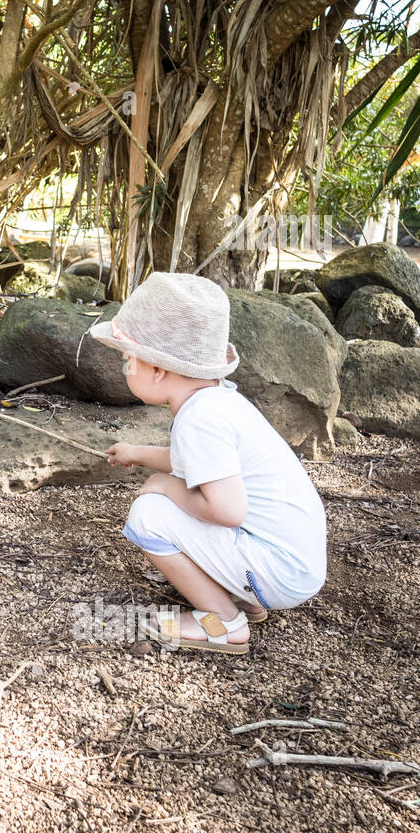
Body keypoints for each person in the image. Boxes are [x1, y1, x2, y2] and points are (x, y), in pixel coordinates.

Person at [88, 273, 327, 654]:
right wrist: (137, 453)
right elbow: (199, 466)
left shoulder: (199, 419)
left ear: (158, 370)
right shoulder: (215, 401)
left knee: (148, 514)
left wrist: (165, 486)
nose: (125, 368)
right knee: (164, 501)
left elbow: (227, 510)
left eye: (127, 360)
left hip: (279, 571)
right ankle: (242, 597)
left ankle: (224, 622)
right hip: (292, 563)